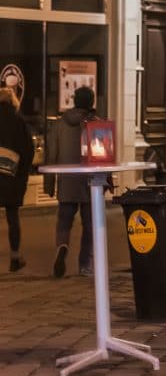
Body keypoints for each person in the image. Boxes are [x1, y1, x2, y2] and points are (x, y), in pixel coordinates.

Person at [42, 86, 98, 277]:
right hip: (90, 181)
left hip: (66, 180)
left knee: (64, 222)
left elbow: (51, 153)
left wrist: (49, 183)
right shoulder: (96, 124)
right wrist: (106, 180)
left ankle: (63, 246)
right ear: (91, 102)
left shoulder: (59, 124)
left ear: (75, 101)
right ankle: (84, 265)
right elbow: (103, 155)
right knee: (89, 225)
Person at [0, 87, 33, 272]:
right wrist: (22, 175)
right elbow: (28, 151)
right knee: (13, 217)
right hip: (12, 178)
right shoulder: (19, 122)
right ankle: (14, 257)